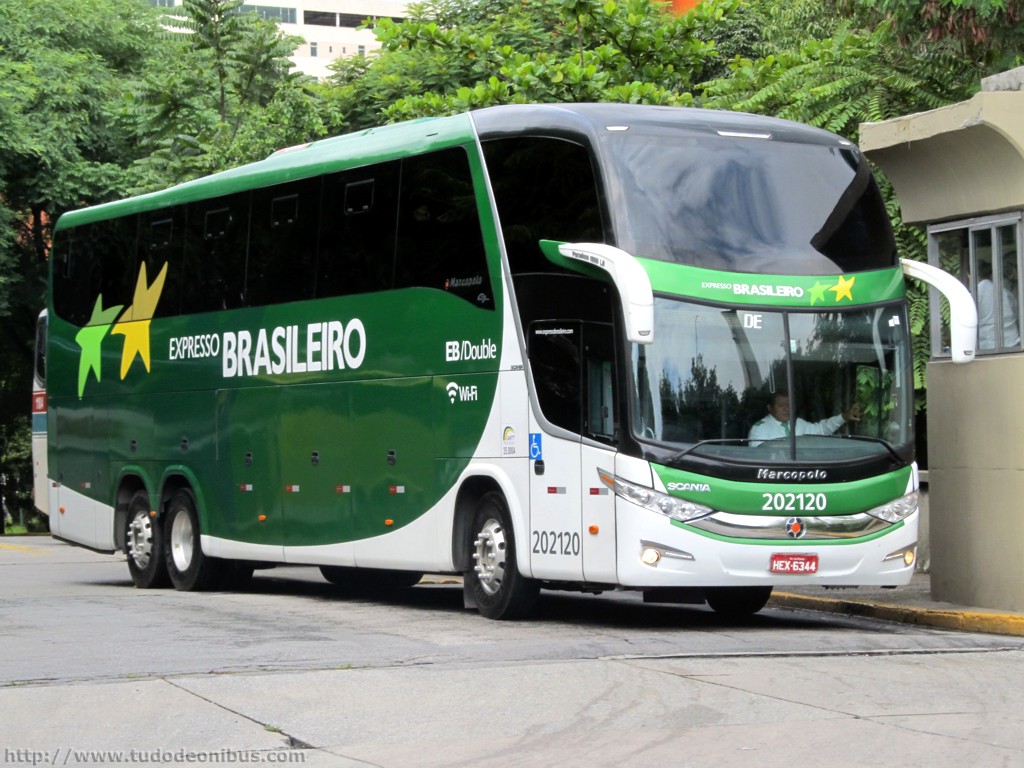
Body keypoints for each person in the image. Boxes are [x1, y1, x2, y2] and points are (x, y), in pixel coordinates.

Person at [748, 391, 861, 446]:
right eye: (781, 406)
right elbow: (760, 458)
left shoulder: (798, 423)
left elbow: (822, 430)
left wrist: (844, 417)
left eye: (789, 405)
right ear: (770, 408)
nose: (787, 409)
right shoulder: (759, 429)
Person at [976, 261, 1021, 350]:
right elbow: (1016, 315)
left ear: (970, 274)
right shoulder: (1004, 291)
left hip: (987, 345)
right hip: (1012, 342)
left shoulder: (975, 293)